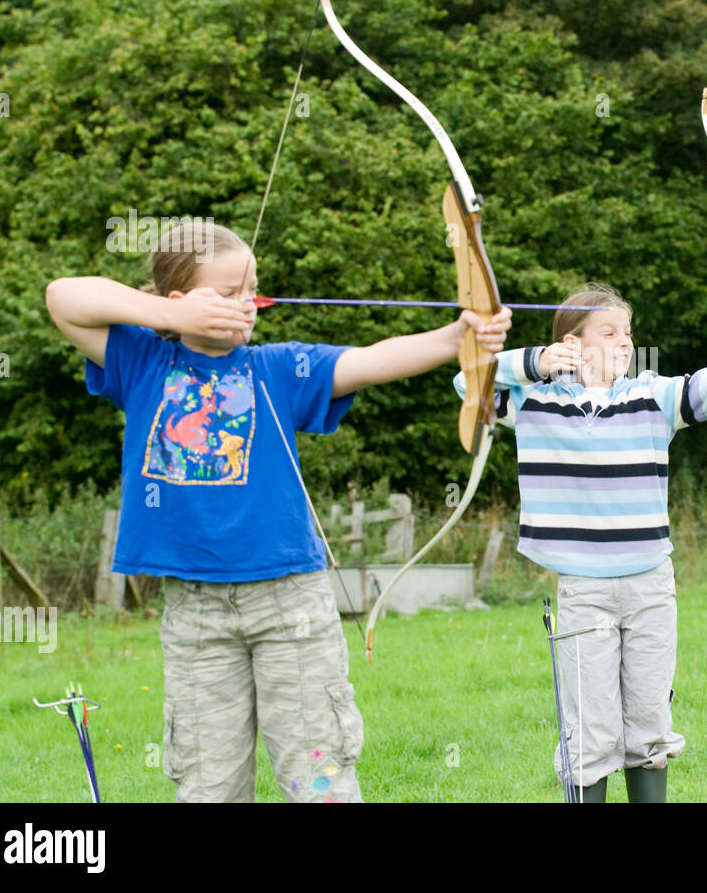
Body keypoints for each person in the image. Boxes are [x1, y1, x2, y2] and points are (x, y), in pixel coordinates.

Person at [45, 221, 510, 801]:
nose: (247, 306)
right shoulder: (141, 362)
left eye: (253, 290)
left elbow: (370, 360)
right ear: (178, 301)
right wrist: (173, 320)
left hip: (290, 603)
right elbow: (62, 297)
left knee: (319, 777)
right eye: (228, 293)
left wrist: (459, 336)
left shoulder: (278, 368)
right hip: (194, 613)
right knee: (206, 784)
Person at [456, 282, 707, 802]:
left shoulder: (651, 397)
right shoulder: (532, 401)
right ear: (572, 342)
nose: (624, 342)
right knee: (589, 726)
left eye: (628, 333)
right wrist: (537, 361)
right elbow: (466, 382)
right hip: (582, 589)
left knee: (649, 719)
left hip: (650, 584)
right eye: (608, 332)